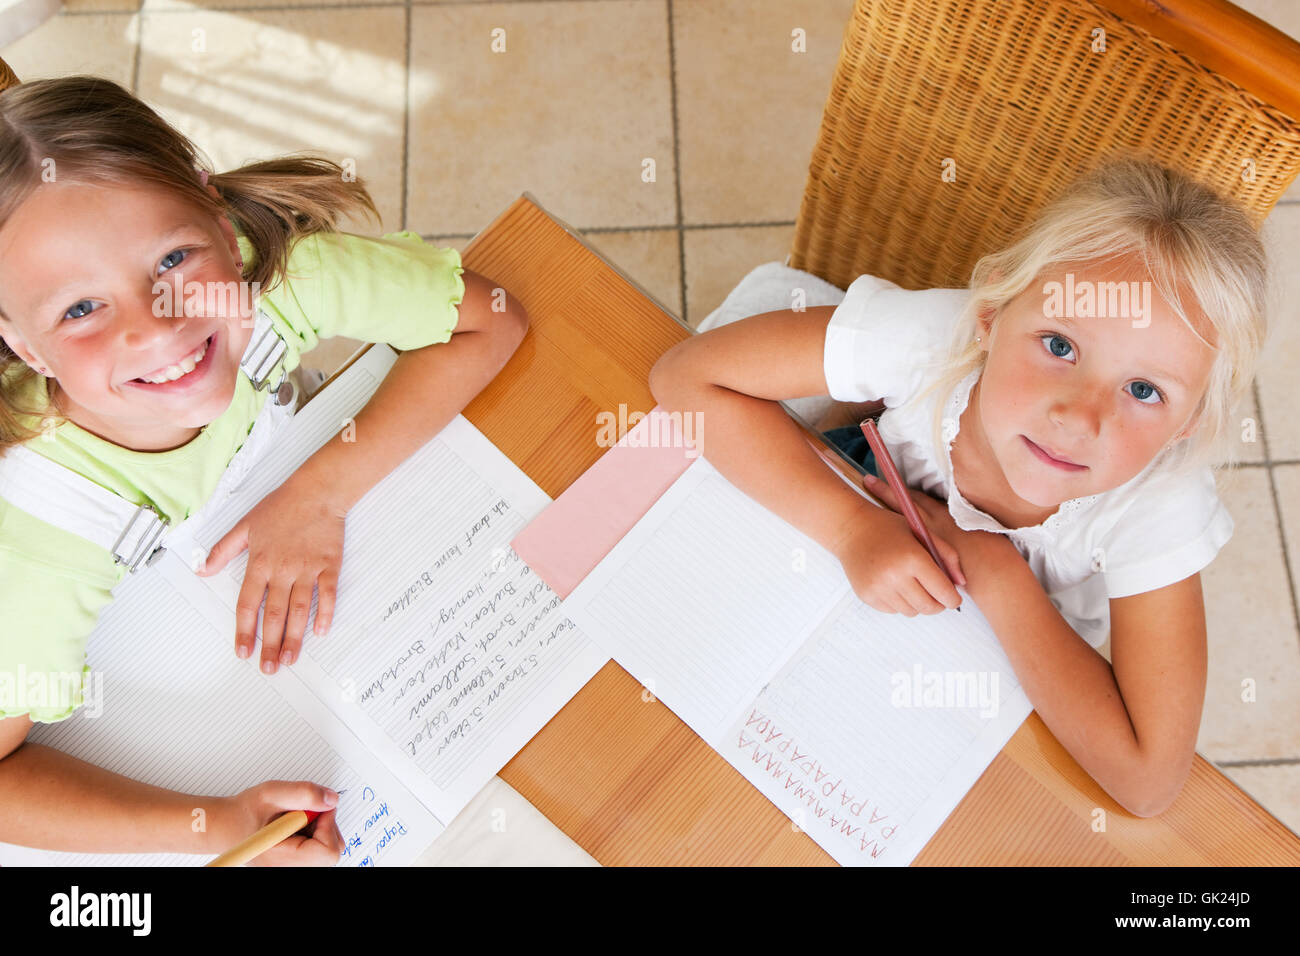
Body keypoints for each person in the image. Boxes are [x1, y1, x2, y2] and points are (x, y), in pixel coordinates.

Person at [0, 72, 528, 862]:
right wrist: (216, 824)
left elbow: (491, 321)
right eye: (81, 309)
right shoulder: (45, 544)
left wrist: (318, 493)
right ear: (24, 349)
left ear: (217, 216)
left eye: (173, 258)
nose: (158, 328)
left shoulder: (274, 276)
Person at [649, 157, 1268, 818]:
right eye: (1059, 345)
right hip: (862, 512)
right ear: (991, 316)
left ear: (1186, 426)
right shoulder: (926, 339)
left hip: (1020, 633)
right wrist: (850, 529)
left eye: (1144, 390)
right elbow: (687, 379)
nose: (1077, 417)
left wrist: (993, 565)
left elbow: (1148, 782)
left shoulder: (1160, 503)